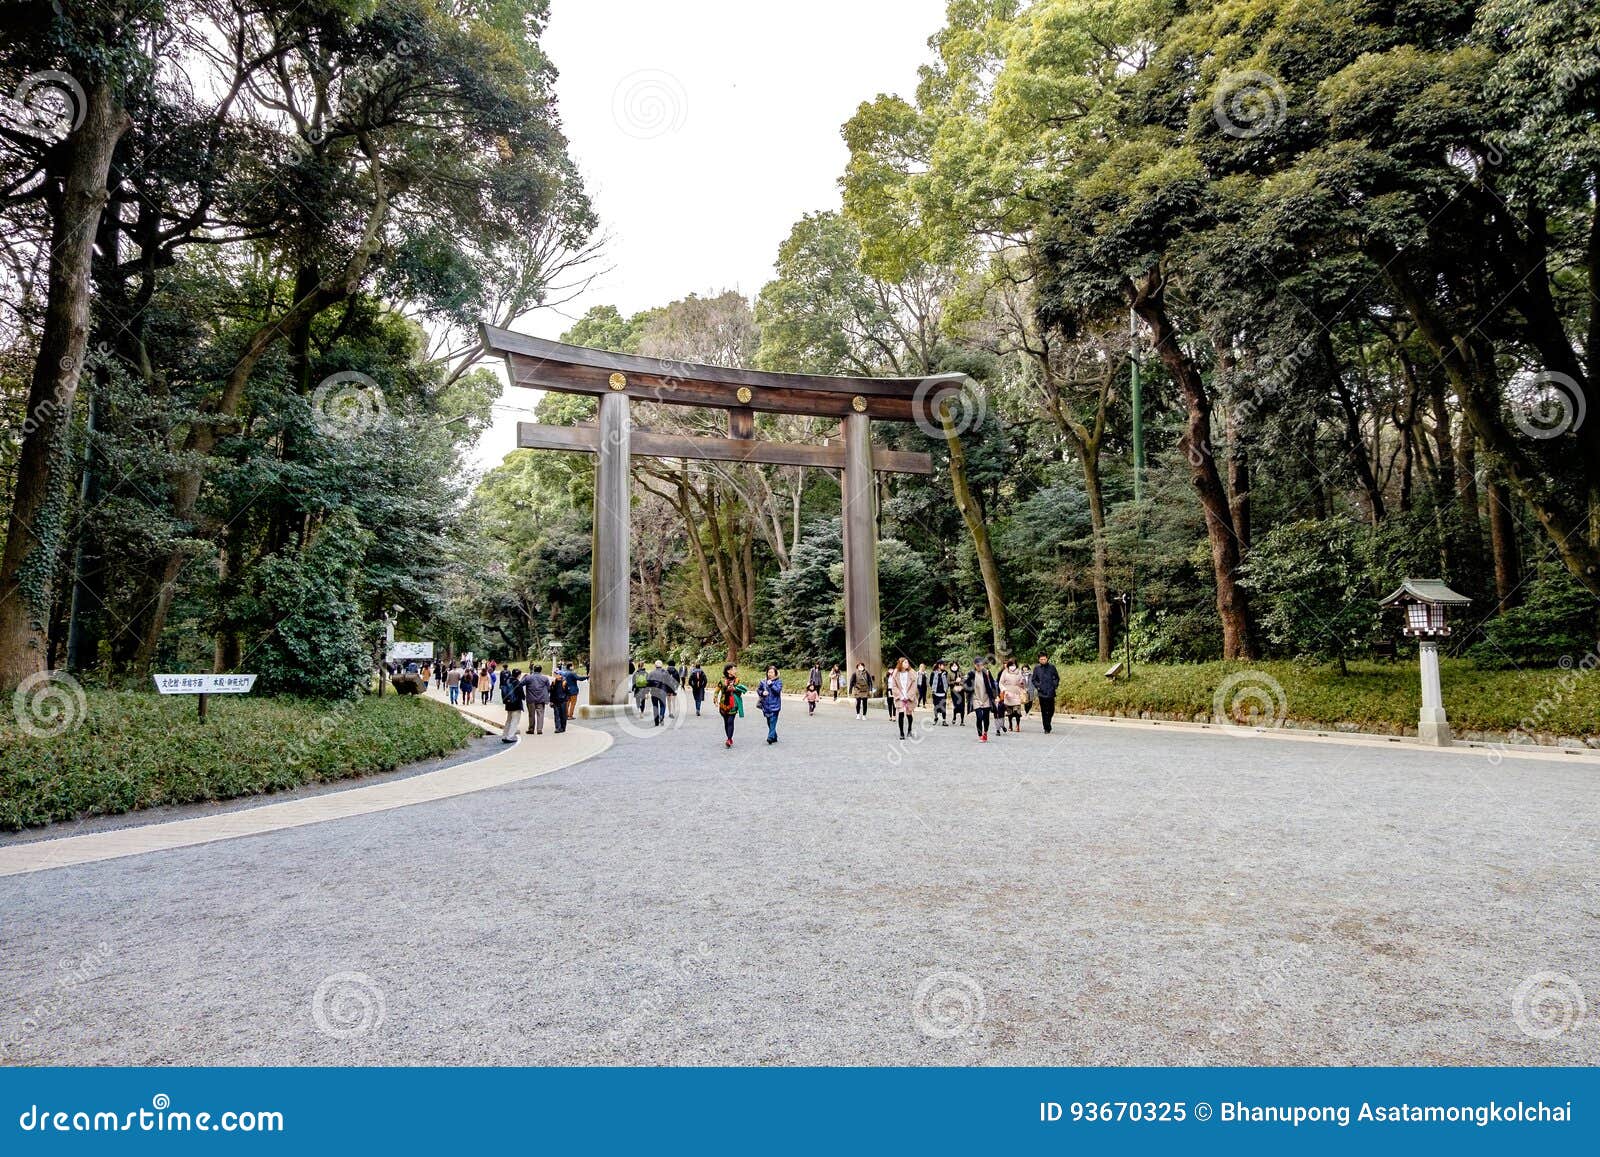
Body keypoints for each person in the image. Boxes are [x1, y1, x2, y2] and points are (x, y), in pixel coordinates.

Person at [968, 657, 999, 742]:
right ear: (975, 665)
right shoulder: (971, 674)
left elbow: (993, 684)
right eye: (978, 665)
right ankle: (980, 735)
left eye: (981, 665)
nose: (980, 667)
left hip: (986, 698)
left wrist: (996, 696)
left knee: (986, 718)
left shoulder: (987, 673)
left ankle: (985, 732)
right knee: (979, 717)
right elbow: (966, 684)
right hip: (976, 698)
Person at [716, 664, 746, 748]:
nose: (735, 671)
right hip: (723, 704)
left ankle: (729, 739)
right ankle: (729, 737)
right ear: (728, 671)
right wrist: (715, 698)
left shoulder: (737, 680)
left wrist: (735, 689)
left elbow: (740, 691)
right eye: (734, 669)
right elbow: (717, 690)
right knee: (726, 722)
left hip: (733, 704)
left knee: (730, 721)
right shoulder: (722, 680)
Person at [889, 657, 918, 741]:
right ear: (900, 663)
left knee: (909, 714)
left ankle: (909, 729)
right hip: (900, 696)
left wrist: (909, 695)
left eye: (907, 662)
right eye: (905, 662)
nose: (907, 664)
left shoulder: (912, 673)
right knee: (901, 713)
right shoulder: (896, 673)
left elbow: (914, 686)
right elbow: (893, 686)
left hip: (909, 696)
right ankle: (901, 732)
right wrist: (900, 695)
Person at [1033, 652, 1061, 734]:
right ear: (1039, 660)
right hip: (1041, 692)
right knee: (1044, 710)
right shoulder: (1037, 668)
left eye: (1044, 659)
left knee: (1051, 709)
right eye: (1041, 659)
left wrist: (1054, 685)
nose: (1043, 660)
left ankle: (1048, 722)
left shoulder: (1052, 667)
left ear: (1047, 658)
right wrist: (1038, 686)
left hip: (1050, 691)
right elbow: (1034, 680)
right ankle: (1046, 727)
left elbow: (1056, 677)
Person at [754, 665, 784, 744]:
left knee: (773, 721)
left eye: (772, 672)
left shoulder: (778, 681)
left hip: (775, 705)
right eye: (769, 672)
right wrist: (762, 693)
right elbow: (758, 690)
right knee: (769, 722)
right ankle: (774, 736)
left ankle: (770, 737)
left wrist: (771, 685)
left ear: (775, 673)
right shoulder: (763, 681)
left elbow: (777, 691)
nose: (770, 674)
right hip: (765, 705)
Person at [998, 658, 1026, 732]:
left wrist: (1022, 683)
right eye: (1010, 665)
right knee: (1009, 711)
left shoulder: (1019, 672)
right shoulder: (1005, 672)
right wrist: (1003, 690)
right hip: (1008, 693)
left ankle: (1018, 724)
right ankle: (1010, 724)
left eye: (1013, 665)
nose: (1012, 666)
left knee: (1017, 711)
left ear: (1016, 665)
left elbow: (1023, 681)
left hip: (1017, 693)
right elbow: (1000, 682)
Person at [522, 665, 551, 735]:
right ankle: (539, 729)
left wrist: (523, 677)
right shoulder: (545, 678)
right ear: (541, 670)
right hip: (541, 699)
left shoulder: (528, 677)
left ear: (533, 669)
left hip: (530, 699)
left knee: (531, 715)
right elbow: (548, 689)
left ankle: (531, 729)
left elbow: (520, 684)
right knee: (540, 714)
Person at [499, 667, 524, 742]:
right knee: (515, 720)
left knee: (508, 720)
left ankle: (504, 735)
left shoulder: (507, 680)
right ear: (519, 675)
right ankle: (510, 737)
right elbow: (521, 694)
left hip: (508, 704)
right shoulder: (517, 682)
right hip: (516, 704)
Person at [647, 660, 671, 727]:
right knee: (663, 705)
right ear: (662, 665)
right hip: (663, 692)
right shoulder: (665, 673)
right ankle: (661, 716)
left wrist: (647, 691)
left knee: (655, 706)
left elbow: (647, 683)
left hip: (654, 692)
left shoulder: (651, 673)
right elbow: (669, 683)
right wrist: (669, 692)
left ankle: (656, 721)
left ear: (655, 665)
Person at [549, 668, 570, 734]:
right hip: (555, 701)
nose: (556, 675)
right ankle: (558, 728)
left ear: (560, 675)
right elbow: (551, 692)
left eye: (557, 674)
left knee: (563, 715)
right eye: (555, 674)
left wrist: (566, 699)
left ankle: (563, 728)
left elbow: (568, 692)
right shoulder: (553, 682)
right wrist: (551, 701)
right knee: (557, 715)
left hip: (563, 701)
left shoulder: (564, 682)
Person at [930, 661, 950, 725]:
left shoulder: (946, 673)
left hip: (943, 693)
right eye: (943, 665)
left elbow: (948, 682)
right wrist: (934, 688)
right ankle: (936, 718)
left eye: (944, 665)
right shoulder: (933, 673)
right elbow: (930, 682)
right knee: (936, 706)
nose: (944, 666)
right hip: (935, 693)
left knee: (943, 707)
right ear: (939, 665)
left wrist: (946, 688)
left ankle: (944, 721)